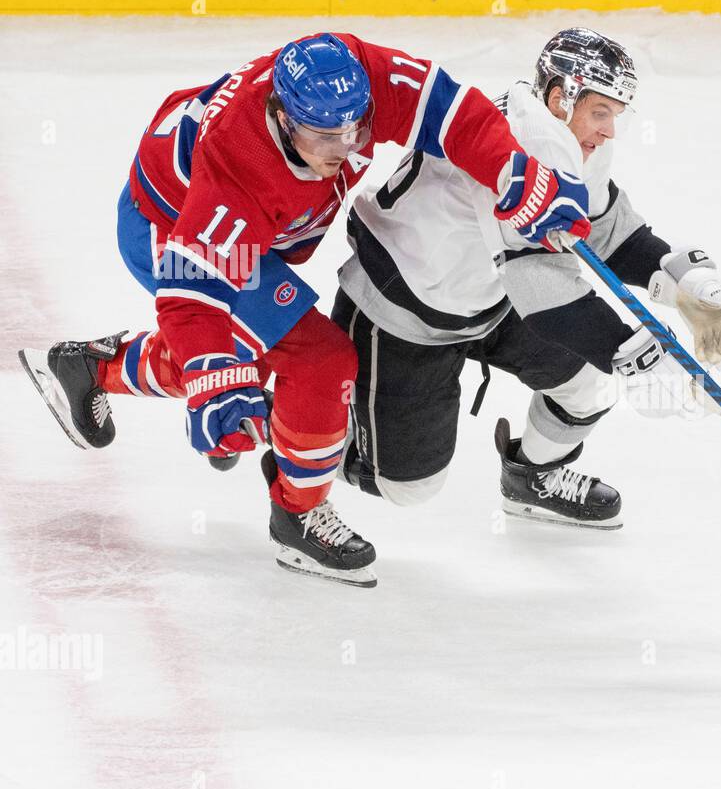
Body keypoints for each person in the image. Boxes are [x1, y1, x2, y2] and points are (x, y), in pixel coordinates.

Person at [18, 32, 591, 587]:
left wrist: (518, 177)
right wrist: (217, 383)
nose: (347, 147)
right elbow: (194, 302)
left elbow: (450, 110)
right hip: (172, 231)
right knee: (316, 363)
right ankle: (297, 512)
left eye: (357, 129)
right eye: (326, 137)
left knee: (260, 351)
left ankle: (93, 368)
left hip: (245, 234)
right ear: (283, 118)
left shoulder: (351, 74)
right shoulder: (236, 169)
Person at [331, 27, 721, 531]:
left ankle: (530, 478)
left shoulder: (565, 134)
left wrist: (680, 281)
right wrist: (636, 355)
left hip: (488, 296)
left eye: (616, 115)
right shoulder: (523, 145)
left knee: (589, 385)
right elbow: (542, 288)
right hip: (402, 309)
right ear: (561, 97)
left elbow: (604, 228)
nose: (610, 130)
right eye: (602, 112)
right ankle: (294, 421)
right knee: (406, 487)